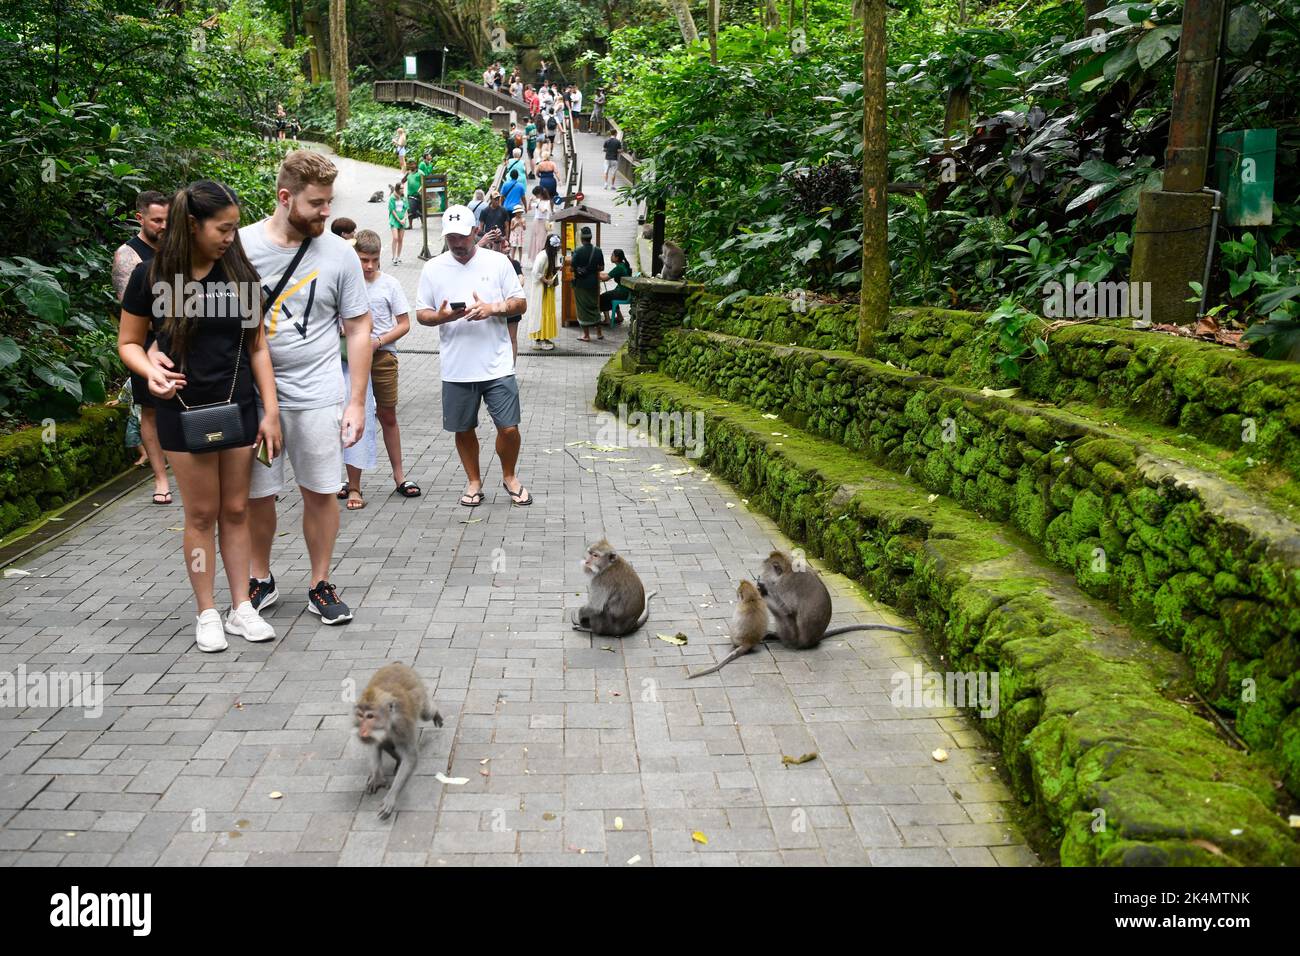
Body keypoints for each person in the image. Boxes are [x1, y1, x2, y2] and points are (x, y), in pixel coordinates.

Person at [151, 151, 374, 625]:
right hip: (250, 396)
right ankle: (259, 577)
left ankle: (319, 582)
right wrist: (152, 348)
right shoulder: (239, 245)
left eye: (329, 201)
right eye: (316, 203)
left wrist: (356, 400)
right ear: (285, 197)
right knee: (255, 496)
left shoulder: (339, 256)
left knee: (320, 490)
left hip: (318, 392)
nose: (325, 212)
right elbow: (182, 302)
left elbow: (357, 328)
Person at [118, 180, 282, 652]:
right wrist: (151, 369)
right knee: (200, 513)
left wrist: (270, 412)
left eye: (234, 228)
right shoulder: (151, 278)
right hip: (180, 406)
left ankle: (241, 608)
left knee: (236, 509)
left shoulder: (240, 276)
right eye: (223, 228)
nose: (231, 237)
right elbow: (129, 343)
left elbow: (257, 347)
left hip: (239, 405)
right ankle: (206, 611)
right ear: (193, 225)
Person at [415, 205, 530, 508]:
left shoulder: (498, 263)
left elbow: (520, 303)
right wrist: (440, 317)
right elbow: (421, 314)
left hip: (497, 363)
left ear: (476, 231)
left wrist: (493, 308)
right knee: (463, 428)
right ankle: (474, 481)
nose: (457, 243)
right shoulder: (433, 268)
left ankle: (509, 476)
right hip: (457, 367)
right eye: (451, 237)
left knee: (509, 427)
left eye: (462, 237)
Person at [111, 189, 173, 505]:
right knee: (149, 410)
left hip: (180, 339)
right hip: (146, 341)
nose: (163, 226)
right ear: (141, 218)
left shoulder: (176, 250)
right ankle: (161, 479)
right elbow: (134, 310)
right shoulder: (129, 255)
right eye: (157, 220)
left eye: (168, 219)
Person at [351, 229, 417, 503]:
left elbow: (404, 324)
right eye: (363, 259)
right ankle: (353, 484)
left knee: (387, 415)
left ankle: (399, 475)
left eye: (374, 260)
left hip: (382, 356)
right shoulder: (346, 284)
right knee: (354, 419)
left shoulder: (389, 284)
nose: (368, 266)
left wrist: (378, 341)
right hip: (351, 358)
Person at [525, 233, 561, 351]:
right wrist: (546, 281)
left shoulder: (549, 255)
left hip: (547, 289)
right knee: (541, 312)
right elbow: (535, 272)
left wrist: (556, 269)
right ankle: (539, 339)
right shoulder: (543, 256)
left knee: (547, 311)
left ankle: (545, 337)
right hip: (541, 289)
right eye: (557, 247)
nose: (558, 249)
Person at [570, 226, 605, 342]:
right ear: (591, 238)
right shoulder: (598, 250)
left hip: (581, 284)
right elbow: (601, 267)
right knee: (594, 306)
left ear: (581, 238)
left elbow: (571, 268)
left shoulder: (578, 251)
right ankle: (599, 333)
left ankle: (586, 335)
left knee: (582, 308)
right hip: (594, 283)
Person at [600, 248, 632, 323]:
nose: (611, 257)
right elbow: (608, 274)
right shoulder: (622, 265)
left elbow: (605, 278)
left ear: (617, 258)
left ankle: (607, 319)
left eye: (612, 255)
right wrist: (600, 274)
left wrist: (594, 272)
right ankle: (619, 317)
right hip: (625, 291)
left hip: (623, 292)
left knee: (603, 297)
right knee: (611, 294)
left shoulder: (619, 268)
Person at [526, 186, 552, 261]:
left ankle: (541, 259)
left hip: (543, 222)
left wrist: (537, 204)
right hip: (536, 221)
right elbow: (529, 209)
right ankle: (535, 259)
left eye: (537, 195)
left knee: (541, 241)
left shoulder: (547, 202)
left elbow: (543, 210)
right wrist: (530, 201)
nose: (536, 196)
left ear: (540, 194)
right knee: (534, 241)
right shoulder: (537, 201)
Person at [387, 182, 407, 264]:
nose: (402, 190)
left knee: (400, 239)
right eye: (401, 188)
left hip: (403, 220)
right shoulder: (392, 198)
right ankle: (393, 256)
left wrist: (404, 219)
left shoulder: (404, 198)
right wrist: (399, 220)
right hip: (395, 220)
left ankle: (398, 256)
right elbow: (392, 210)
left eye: (403, 188)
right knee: (395, 238)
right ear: (397, 189)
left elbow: (406, 209)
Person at [405, 163, 423, 229]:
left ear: (416, 165)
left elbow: (423, 182)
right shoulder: (409, 173)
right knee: (409, 209)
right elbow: (403, 181)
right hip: (410, 194)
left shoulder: (420, 173)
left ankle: (423, 224)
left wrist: (420, 190)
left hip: (419, 195)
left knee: (421, 209)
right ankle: (410, 225)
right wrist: (406, 174)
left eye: (412, 164)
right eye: (410, 165)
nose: (411, 166)